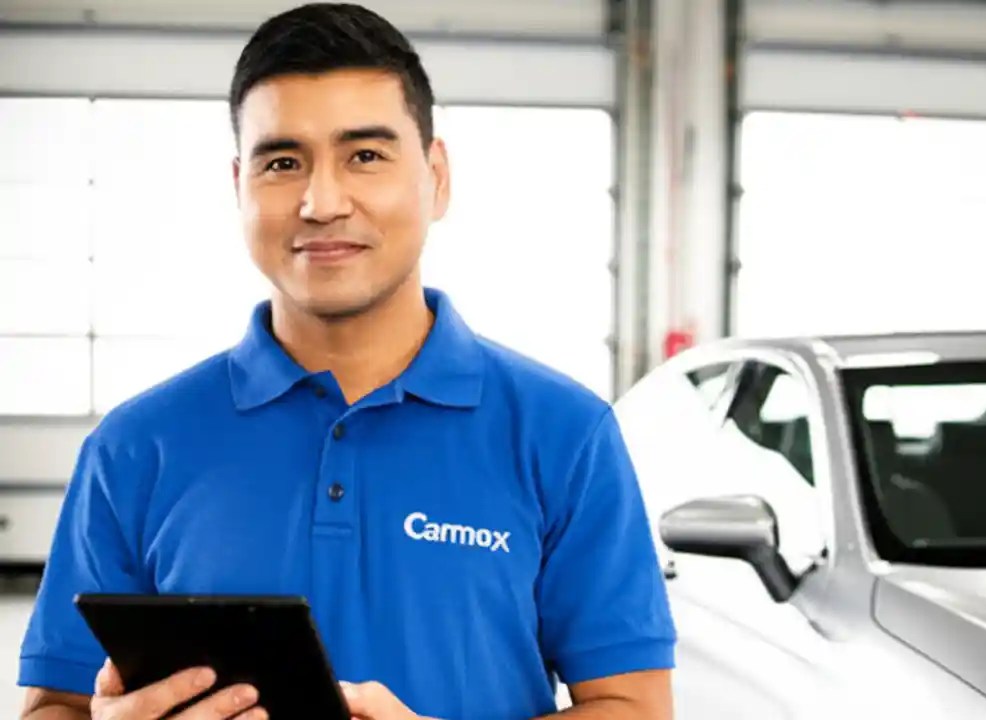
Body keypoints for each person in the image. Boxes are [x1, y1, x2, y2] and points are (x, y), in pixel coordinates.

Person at [17, 4, 676, 719]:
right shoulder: (135, 446)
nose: (321, 201)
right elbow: (53, 703)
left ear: (436, 176)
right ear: (239, 184)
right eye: (282, 162)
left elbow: (632, 705)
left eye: (365, 155)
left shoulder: (564, 434)